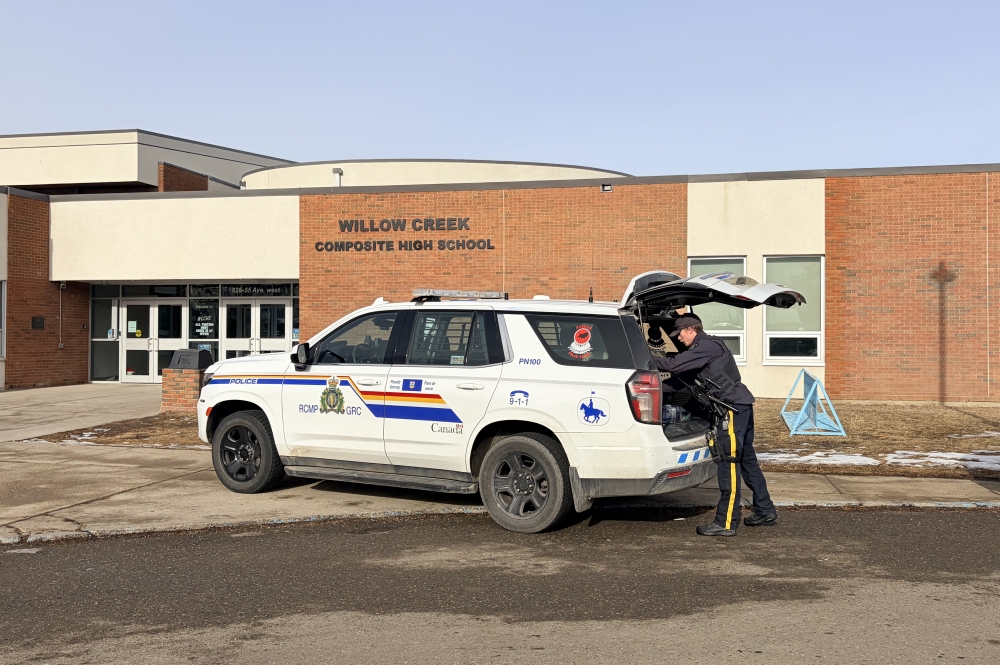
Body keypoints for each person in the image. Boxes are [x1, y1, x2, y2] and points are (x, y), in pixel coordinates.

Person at [653, 314, 777, 536]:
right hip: (741, 406)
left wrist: (645, 357)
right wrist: (654, 388)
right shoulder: (708, 347)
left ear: (691, 329)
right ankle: (765, 510)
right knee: (747, 460)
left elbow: (674, 365)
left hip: (730, 409)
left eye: (679, 333)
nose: (678, 338)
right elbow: (684, 380)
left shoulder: (705, 346)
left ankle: (725, 523)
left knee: (728, 463)